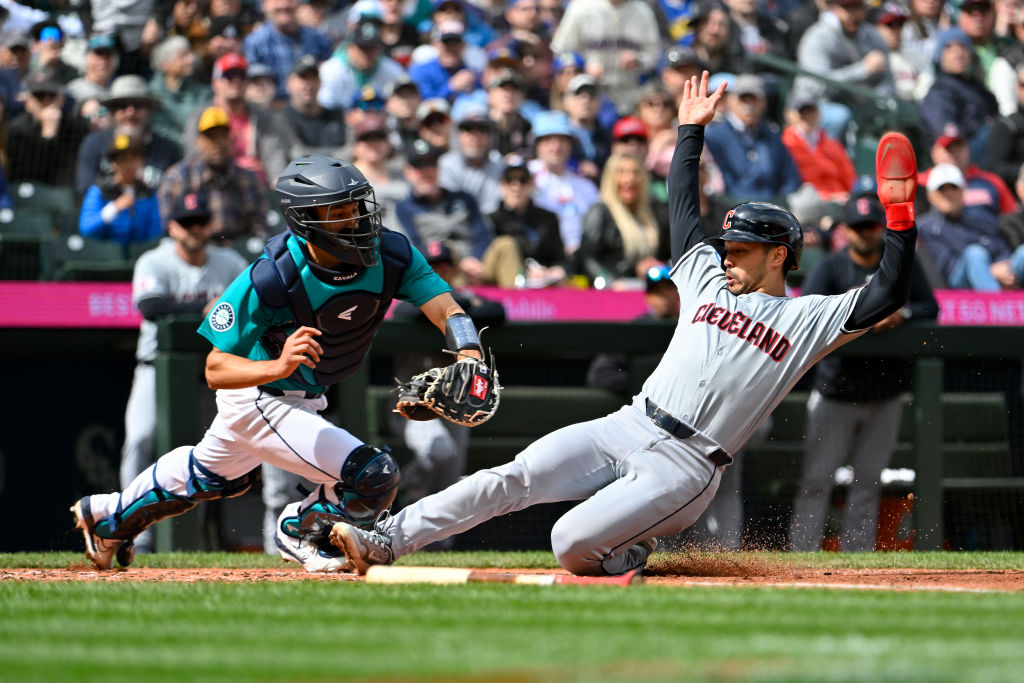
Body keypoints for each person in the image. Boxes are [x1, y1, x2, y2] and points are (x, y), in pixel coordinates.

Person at [329, 72, 921, 576]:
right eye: (728, 245)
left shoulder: (808, 318)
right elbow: (684, 211)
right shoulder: (705, 279)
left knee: (568, 544)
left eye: (741, 248)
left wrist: (899, 220)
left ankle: (627, 551)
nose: (728, 254)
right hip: (628, 423)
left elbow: (888, 289)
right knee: (512, 476)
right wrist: (691, 133)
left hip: (689, 465)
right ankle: (387, 539)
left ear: (780, 256)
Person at [71, 153, 488, 573]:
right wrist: (277, 366)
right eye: (338, 213)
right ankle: (297, 530)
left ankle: (108, 518)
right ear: (305, 219)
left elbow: (450, 311)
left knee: (211, 475)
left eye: (357, 207)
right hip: (257, 395)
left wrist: (469, 353)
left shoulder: (392, 254)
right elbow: (216, 369)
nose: (356, 221)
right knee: (374, 476)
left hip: (302, 397)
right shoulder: (273, 276)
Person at [789, 195, 939, 552]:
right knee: (816, 479)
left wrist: (901, 314)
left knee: (869, 481)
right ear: (844, 231)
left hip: (885, 391)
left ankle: (859, 555)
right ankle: (800, 552)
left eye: (871, 226)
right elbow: (805, 314)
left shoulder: (900, 263)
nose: (864, 234)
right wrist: (858, 314)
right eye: (857, 227)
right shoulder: (830, 267)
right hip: (835, 390)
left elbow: (931, 306)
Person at [116, 191, 248, 555]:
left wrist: (218, 310)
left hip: (215, 375)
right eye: (186, 222)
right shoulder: (154, 260)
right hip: (157, 370)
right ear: (172, 227)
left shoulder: (230, 261)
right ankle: (131, 533)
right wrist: (209, 311)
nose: (195, 229)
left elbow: (254, 303)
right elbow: (151, 306)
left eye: (201, 221)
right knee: (141, 441)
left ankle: (228, 538)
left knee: (226, 453)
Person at [389, 241, 506, 509]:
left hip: (456, 401)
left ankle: (441, 545)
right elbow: (406, 312)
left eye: (444, 267)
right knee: (438, 450)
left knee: (451, 484)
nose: (439, 273)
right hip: (415, 400)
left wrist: (460, 307)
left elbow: (497, 311)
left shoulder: (461, 298)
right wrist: (460, 309)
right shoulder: (409, 299)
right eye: (432, 268)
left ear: (453, 270)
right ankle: (405, 483)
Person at [158, 106, 271, 243]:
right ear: (198, 141)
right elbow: (169, 227)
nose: (218, 143)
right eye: (211, 137)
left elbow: (261, 225)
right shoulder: (178, 177)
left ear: (231, 139)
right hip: (195, 251)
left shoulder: (248, 178)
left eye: (223, 136)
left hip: (239, 253)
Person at [181, 53, 296, 186]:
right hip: (216, 184)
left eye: (241, 75)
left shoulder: (262, 115)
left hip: (258, 188)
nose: (236, 81)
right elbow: (193, 155)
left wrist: (278, 180)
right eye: (229, 75)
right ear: (215, 83)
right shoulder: (201, 115)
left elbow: (273, 153)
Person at [395, 139, 498, 285]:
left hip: (476, 263)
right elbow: (414, 247)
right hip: (439, 267)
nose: (426, 172)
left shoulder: (464, 198)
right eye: (419, 166)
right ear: (407, 172)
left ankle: (520, 303)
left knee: (506, 245)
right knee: (446, 251)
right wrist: (458, 263)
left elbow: (482, 234)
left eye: (431, 164)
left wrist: (476, 260)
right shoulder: (404, 208)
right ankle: (459, 303)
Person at [917, 163, 1024, 289]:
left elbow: (1001, 248)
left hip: (998, 274)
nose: (949, 193)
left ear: (963, 190)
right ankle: (995, 303)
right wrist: (991, 271)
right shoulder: (925, 227)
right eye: (942, 189)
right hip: (956, 286)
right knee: (975, 254)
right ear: (931, 195)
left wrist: (1002, 270)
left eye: (953, 187)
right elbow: (947, 267)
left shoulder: (980, 218)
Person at [75, 75, 183, 199]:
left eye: (138, 105)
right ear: (112, 111)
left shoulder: (167, 149)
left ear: (149, 110)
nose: (130, 112)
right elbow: (85, 192)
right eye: (122, 105)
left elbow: (178, 195)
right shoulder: (94, 144)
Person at [703, 73, 802, 204]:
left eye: (754, 99)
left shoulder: (773, 135)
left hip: (773, 208)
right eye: (743, 99)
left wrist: (779, 203)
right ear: (731, 101)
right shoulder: (714, 135)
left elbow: (790, 178)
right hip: (733, 209)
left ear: (764, 103)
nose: (749, 105)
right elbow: (723, 183)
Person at [550, 0, 662, 115]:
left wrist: (638, 60)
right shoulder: (581, 7)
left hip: (629, 96)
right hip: (588, 94)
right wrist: (583, 66)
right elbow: (561, 50)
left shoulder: (642, 10)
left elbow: (654, 54)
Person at [576, 153, 669, 288]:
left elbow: (667, 254)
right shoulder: (600, 212)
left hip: (649, 290)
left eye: (635, 172)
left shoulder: (656, 213)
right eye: (622, 172)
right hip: (614, 292)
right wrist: (609, 282)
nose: (629, 179)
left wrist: (658, 266)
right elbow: (588, 258)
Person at [528, 110, 600, 255]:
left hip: (581, 259)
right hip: (539, 256)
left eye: (562, 140)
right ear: (537, 145)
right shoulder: (523, 177)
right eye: (548, 140)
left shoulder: (585, 185)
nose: (556, 147)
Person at [78, 131, 163, 253]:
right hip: (106, 255)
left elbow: (156, 230)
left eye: (133, 159)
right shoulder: (99, 191)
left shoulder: (149, 192)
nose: (128, 165)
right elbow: (86, 228)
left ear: (141, 161)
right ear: (113, 163)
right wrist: (114, 208)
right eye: (122, 160)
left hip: (141, 254)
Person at [487, 158, 567, 286]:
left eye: (523, 180)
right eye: (509, 180)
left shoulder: (548, 218)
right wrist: (526, 271)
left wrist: (556, 270)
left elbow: (559, 257)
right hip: (506, 286)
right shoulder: (490, 220)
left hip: (545, 282)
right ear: (502, 186)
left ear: (531, 185)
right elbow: (488, 263)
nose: (516, 187)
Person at [6, 73, 87, 188]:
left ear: (61, 99)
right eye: (39, 96)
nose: (46, 101)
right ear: (27, 102)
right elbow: (23, 173)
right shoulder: (16, 130)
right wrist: (47, 135)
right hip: (27, 193)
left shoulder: (74, 128)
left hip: (62, 195)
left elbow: (71, 171)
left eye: (51, 95)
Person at [242, 0, 332, 102]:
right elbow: (252, 89)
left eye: (290, 0)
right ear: (264, 5)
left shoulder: (318, 39)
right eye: (276, 1)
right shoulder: (254, 43)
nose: (283, 5)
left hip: (310, 110)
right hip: (272, 110)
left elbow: (329, 81)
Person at [317, 15, 406, 113]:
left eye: (372, 48)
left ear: (380, 49)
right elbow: (324, 107)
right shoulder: (331, 70)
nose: (367, 53)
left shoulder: (392, 70)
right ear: (350, 47)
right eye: (362, 48)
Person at [780, 92, 857, 203]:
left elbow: (851, 180)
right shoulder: (785, 145)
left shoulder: (833, 145)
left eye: (811, 110)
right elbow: (790, 185)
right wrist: (827, 198)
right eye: (802, 112)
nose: (807, 116)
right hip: (805, 205)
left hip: (840, 202)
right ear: (789, 114)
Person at [147, 35, 211, 144]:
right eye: (183, 55)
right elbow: (158, 128)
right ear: (165, 64)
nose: (191, 59)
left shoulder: (203, 92)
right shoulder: (151, 93)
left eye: (190, 54)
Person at [280, 54, 346, 157]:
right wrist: (338, 155)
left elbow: (352, 151)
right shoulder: (281, 119)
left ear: (320, 82)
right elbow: (297, 156)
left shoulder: (337, 116)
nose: (309, 85)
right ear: (289, 84)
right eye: (303, 78)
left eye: (313, 78)